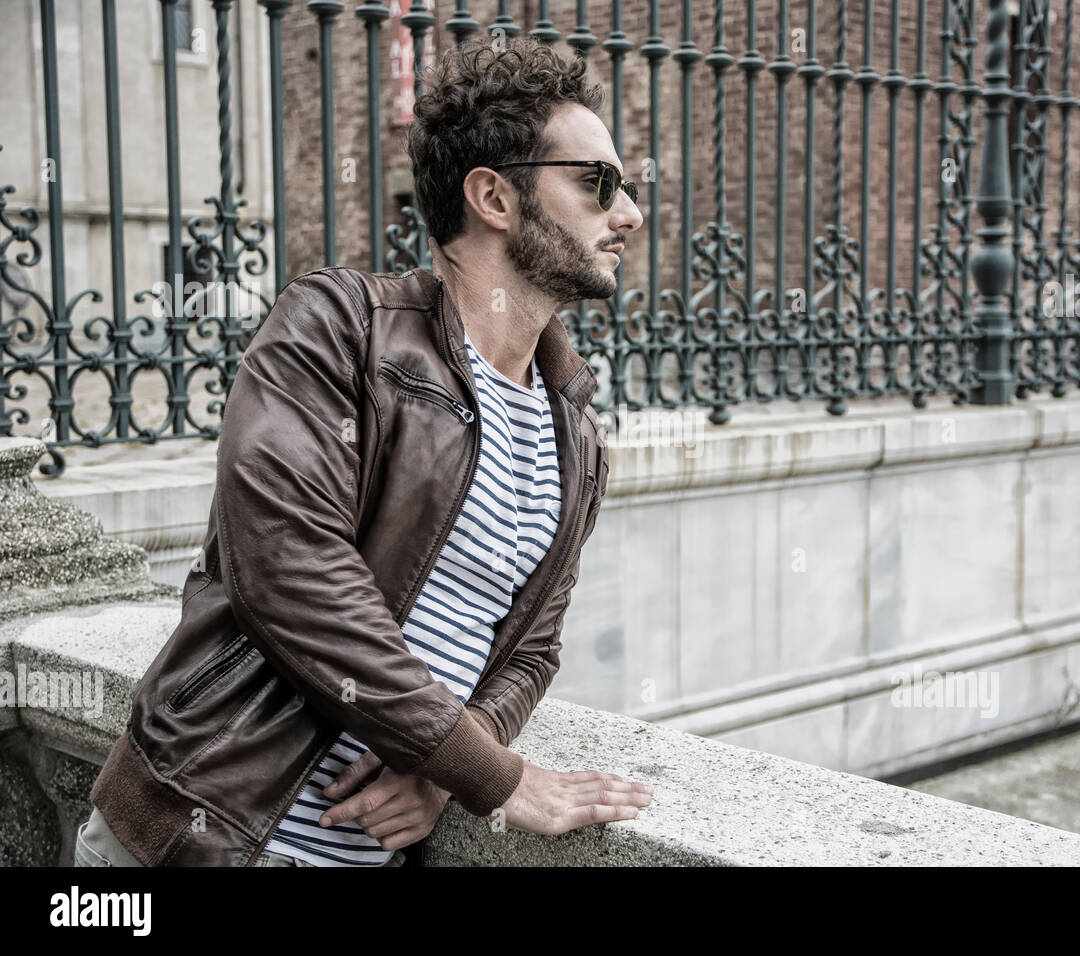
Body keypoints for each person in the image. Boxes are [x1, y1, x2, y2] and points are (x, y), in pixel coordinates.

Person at [76, 34, 651, 867]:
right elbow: (289, 569)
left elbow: (531, 647)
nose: (628, 211)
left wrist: (450, 763)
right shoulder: (339, 328)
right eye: (597, 183)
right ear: (493, 196)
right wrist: (493, 774)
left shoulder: (575, 432)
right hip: (200, 835)